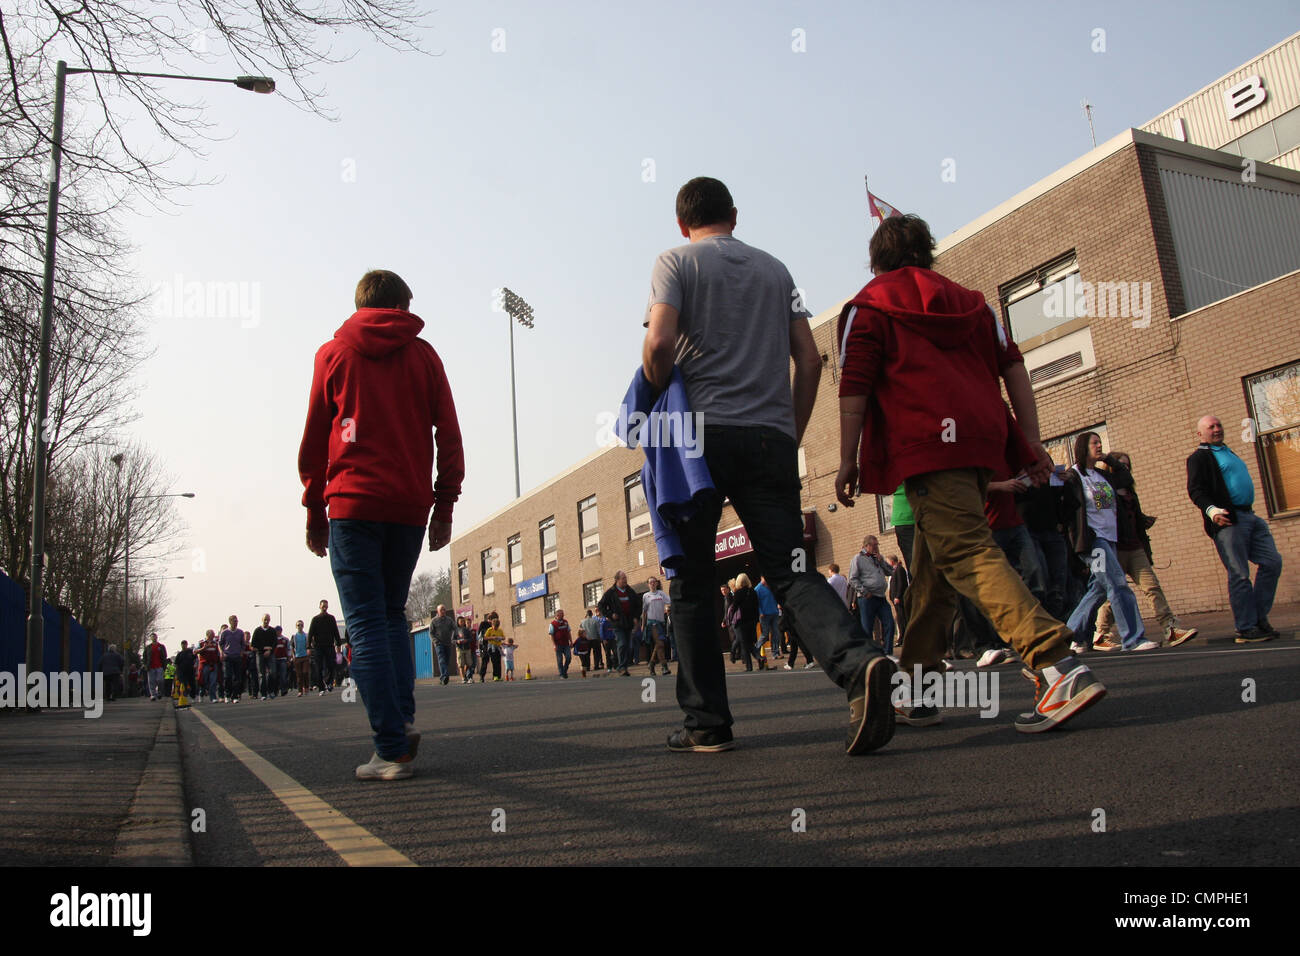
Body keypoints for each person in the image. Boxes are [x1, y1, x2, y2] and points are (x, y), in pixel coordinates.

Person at [641, 176, 894, 754]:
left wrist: (655, 394)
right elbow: (810, 359)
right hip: (769, 440)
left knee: (692, 580)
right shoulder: (777, 271)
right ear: (734, 215)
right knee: (792, 570)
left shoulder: (674, 261)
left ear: (682, 222)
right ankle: (859, 664)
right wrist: (790, 434)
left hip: (698, 443)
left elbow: (658, 345)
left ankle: (707, 724)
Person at [836, 213, 1105, 732]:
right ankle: (917, 687)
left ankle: (1055, 662)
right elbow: (1014, 367)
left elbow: (855, 387)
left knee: (963, 551)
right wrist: (1030, 441)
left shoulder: (868, 307)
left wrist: (849, 458)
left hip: (926, 445)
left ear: (876, 261)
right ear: (927, 252)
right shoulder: (977, 305)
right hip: (981, 441)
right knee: (933, 572)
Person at [298, 268, 465, 781]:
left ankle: (391, 748)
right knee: (391, 616)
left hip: (352, 505)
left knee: (367, 623)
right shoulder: (425, 356)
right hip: (407, 507)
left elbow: (314, 441)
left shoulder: (332, 355)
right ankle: (401, 723)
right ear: (402, 306)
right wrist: (444, 505)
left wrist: (314, 511)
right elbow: (449, 435)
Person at [1187, 415, 1284, 643]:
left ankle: (1258, 619)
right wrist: (1212, 511)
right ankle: (1246, 627)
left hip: (1250, 516)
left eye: (1219, 425)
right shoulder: (1199, 458)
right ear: (1200, 434)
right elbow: (1196, 490)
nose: (1217, 429)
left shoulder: (1229, 452)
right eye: (1211, 427)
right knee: (1239, 574)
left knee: (1272, 562)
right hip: (1229, 520)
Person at [1063, 432, 1158, 653]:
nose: (1099, 446)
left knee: (1098, 589)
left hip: (1110, 538)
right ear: (1083, 447)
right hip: (1093, 541)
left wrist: (1109, 459)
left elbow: (1125, 478)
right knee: (1117, 584)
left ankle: (1067, 636)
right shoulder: (1073, 476)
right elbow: (1065, 508)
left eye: (1100, 442)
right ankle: (1133, 639)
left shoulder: (1101, 475)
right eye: (1094, 443)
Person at [1092, 453, 1198, 649]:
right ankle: (1100, 633)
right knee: (1115, 592)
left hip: (1135, 547)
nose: (1125, 469)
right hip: (1116, 548)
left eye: (1127, 466)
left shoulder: (1131, 493)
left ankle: (1170, 627)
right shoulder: (1104, 487)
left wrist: (1142, 521)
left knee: (1152, 587)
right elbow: (1102, 516)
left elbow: (1133, 517)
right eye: (1121, 465)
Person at [849, 536, 895, 654]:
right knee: (867, 628)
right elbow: (852, 579)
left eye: (877, 545)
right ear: (866, 546)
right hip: (867, 598)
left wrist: (881, 561)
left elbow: (891, 571)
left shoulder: (877, 558)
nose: (876, 548)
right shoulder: (858, 558)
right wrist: (864, 591)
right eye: (874, 545)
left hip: (881, 597)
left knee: (889, 623)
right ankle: (869, 654)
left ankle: (887, 652)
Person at [598, 571, 643, 677]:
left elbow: (638, 604)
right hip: (618, 623)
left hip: (629, 622)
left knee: (628, 646)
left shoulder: (630, 591)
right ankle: (621, 667)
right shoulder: (611, 592)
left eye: (625, 578)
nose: (625, 580)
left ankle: (623, 666)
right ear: (617, 580)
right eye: (623, 578)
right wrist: (610, 614)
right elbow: (601, 605)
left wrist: (636, 617)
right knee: (622, 643)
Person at [308, 600, 340, 695]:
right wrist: (308, 647)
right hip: (318, 647)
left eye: (326, 606)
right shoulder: (315, 619)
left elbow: (335, 631)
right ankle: (321, 688)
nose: (324, 608)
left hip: (329, 646)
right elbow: (310, 633)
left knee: (331, 665)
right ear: (320, 607)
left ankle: (329, 682)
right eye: (323, 606)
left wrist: (338, 643)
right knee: (319, 667)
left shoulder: (331, 618)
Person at [642, 576, 672, 677]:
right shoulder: (646, 596)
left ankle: (651, 664)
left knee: (658, 645)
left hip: (661, 623)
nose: (652, 584)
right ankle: (664, 666)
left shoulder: (661, 594)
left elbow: (670, 602)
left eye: (654, 582)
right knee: (660, 643)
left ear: (657, 583)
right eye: (650, 582)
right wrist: (643, 625)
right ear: (648, 584)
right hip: (652, 623)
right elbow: (644, 611)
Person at [754, 575, 781, 660]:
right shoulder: (757, 589)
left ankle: (775, 653)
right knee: (765, 634)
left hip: (774, 612)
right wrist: (760, 612)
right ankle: (756, 648)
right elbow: (756, 603)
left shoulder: (771, 586)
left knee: (776, 633)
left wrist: (778, 605)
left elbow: (777, 596)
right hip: (764, 615)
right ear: (761, 578)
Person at [219, 617, 245, 703]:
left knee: (237, 678)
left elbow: (243, 644)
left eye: (237, 621)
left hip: (237, 656)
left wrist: (241, 652)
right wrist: (222, 653)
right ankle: (227, 695)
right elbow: (220, 644)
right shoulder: (225, 632)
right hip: (228, 657)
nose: (236, 622)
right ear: (230, 622)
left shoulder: (240, 632)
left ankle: (235, 696)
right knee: (228, 677)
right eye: (234, 621)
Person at [429, 605, 456, 685]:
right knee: (442, 659)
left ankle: (442, 677)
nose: (443, 611)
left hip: (448, 643)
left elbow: (455, 628)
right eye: (441, 610)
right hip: (439, 644)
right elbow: (431, 633)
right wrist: (435, 641)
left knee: (446, 660)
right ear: (437, 611)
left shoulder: (449, 620)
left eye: (444, 609)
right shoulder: (434, 621)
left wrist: (455, 636)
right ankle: (445, 676)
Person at [252, 614, 277, 700]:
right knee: (261, 674)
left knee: (272, 672)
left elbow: (275, 643)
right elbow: (253, 644)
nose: (266, 621)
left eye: (268, 619)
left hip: (270, 654)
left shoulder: (272, 630)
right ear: (262, 619)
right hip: (260, 654)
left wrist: (270, 650)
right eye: (265, 619)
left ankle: (271, 691)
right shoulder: (257, 630)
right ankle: (263, 694)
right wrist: (263, 648)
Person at [549, 609, 573, 679]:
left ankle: (564, 670)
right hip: (558, 644)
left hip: (566, 644)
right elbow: (551, 635)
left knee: (568, 657)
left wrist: (571, 641)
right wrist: (554, 645)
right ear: (557, 615)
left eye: (563, 614)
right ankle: (561, 674)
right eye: (561, 614)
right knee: (560, 660)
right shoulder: (553, 624)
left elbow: (568, 632)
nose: (563, 615)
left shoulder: (565, 622)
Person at [198, 630, 221, 702]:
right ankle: (201, 693)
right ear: (208, 635)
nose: (214, 635)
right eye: (212, 634)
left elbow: (218, 653)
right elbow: (195, 651)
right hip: (205, 665)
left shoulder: (215, 643)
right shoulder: (201, 643)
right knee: (203, 681)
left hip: (213, 665)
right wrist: (204, 648)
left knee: (213, 681)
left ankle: (213, 697)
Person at [481, 614, 505, 682]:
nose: (496, 628)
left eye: (497, 627)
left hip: (498, 647)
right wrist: (492, 637)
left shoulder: (500, 630)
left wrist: (500, 638)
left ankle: (498, 676)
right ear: (492, 625)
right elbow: (485, 638)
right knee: (494, 662)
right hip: (491, 648)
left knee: (498, 662)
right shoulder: (489, 630)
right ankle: (495, 676)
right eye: (495, 627)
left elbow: (504, 637)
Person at [145, 633, 168, 701]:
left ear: (156, 637)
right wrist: (146, 664)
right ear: (151, 638)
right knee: (151, 681)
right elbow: (145, 656)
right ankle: (153, 694)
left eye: (154, 637)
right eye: (152, 637)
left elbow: (165, 655)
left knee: (160, 680)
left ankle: (159, 692)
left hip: (160, 666)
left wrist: (164, 664)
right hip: (151, 667)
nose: (154, 638)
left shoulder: (161, 646)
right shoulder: (148, 647)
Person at [291, 620, 311, 696]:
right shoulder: (294, 636)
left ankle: (306, 687)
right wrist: (293, 655)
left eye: (301, 625)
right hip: (297, 657)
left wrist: (308, 650)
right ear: (296, 626)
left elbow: (309, 645)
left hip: (305, 656)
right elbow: (292, 647)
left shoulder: (306, 635)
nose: (300, 626)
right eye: (298, 625)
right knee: (299, 675)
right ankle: (300, 690)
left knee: (305, 672)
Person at [454, 616, 475, 684]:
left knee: (469, 663)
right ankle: (463, 678)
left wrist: (466, 640)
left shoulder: (467, 630)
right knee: (461, 664)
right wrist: (457, 641)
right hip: (459, 648)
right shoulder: (455, 630)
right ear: (458, 622)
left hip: (467, 648)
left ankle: (467, 676)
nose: (462, 623)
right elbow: (452, 640)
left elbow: (471, 638)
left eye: (463, 621)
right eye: (461, 621)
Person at [272, 626, 291, 695]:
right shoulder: (273, 639)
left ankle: (284, 690)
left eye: (278, 630)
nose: (277, 632)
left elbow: (288, 650)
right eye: (276, 631)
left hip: (283, 659)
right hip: (274, 659)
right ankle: (275, 690)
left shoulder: (285, 639)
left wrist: (288, 660)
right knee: (275, 675)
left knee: (283, 675)